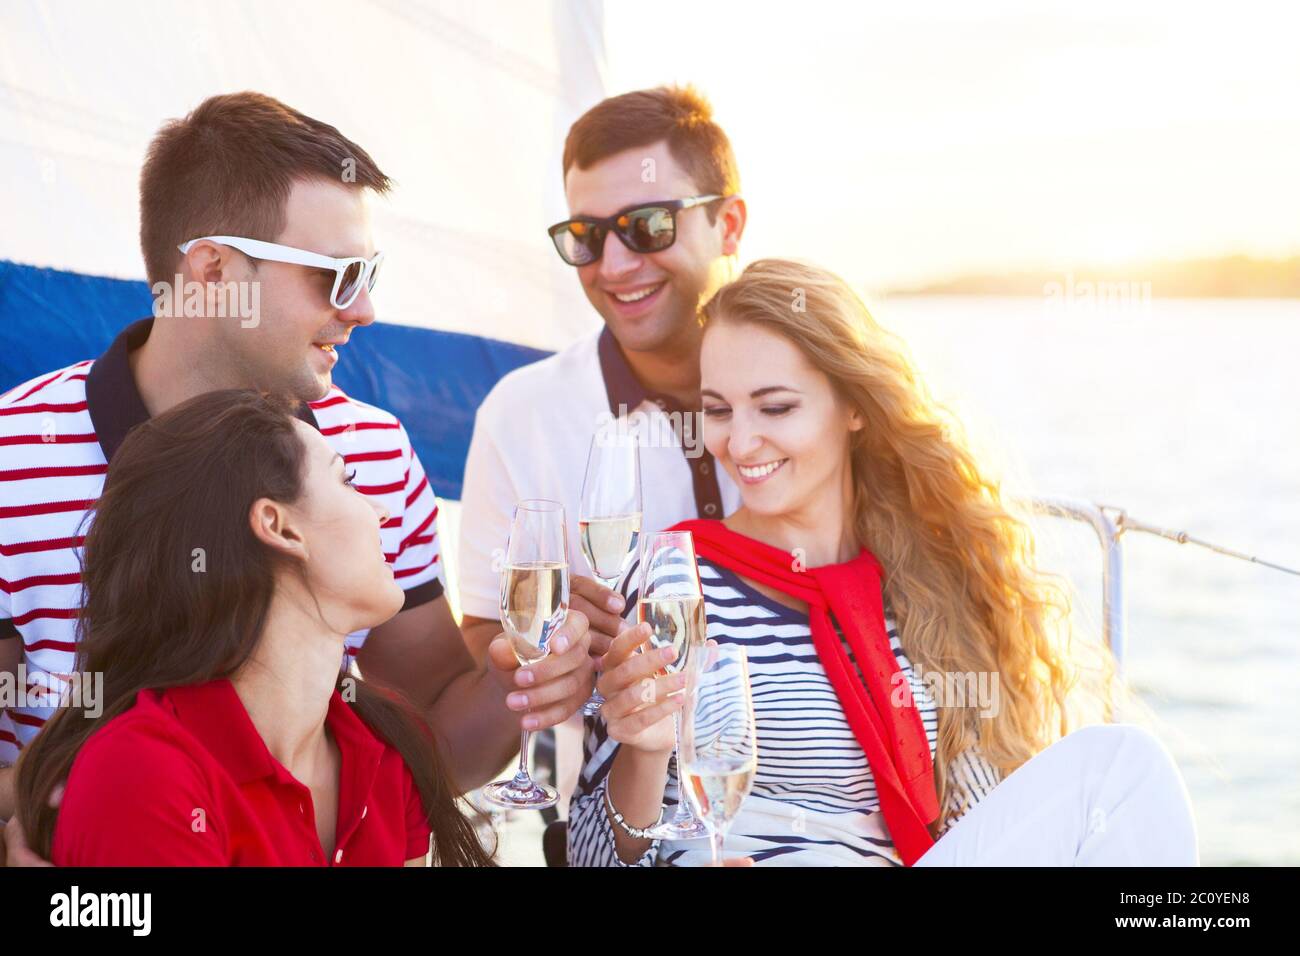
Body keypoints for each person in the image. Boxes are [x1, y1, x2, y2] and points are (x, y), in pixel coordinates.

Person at [0, 92, 592, 854]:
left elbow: (422, 745)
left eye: (368, 271)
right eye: (337, 275)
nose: (367, 308)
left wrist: (528, 685)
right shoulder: (15, 455)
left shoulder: (373, 452)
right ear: (212, 270)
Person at [569, 259, 1199, 866]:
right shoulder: (673, 581)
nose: (740, 440)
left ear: (854, 406)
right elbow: (587, 859)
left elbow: (976, 828)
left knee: (1122, 772)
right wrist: (645, 753)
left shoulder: (928, 586)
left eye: (776, 407)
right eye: (719, 410)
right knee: (1122, 764)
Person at [16, 390, 493, 865]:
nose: (382, 511)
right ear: (280, 527)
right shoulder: (143, 772)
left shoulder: (383, 747)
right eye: (347, 481)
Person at [456, 87, 747, 809]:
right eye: (586, 236)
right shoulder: (519, 414)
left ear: (729, 223)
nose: (614, 265)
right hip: (618, 815)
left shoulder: (818, 390)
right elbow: (488, 632)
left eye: (646, 226)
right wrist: (541, 666)